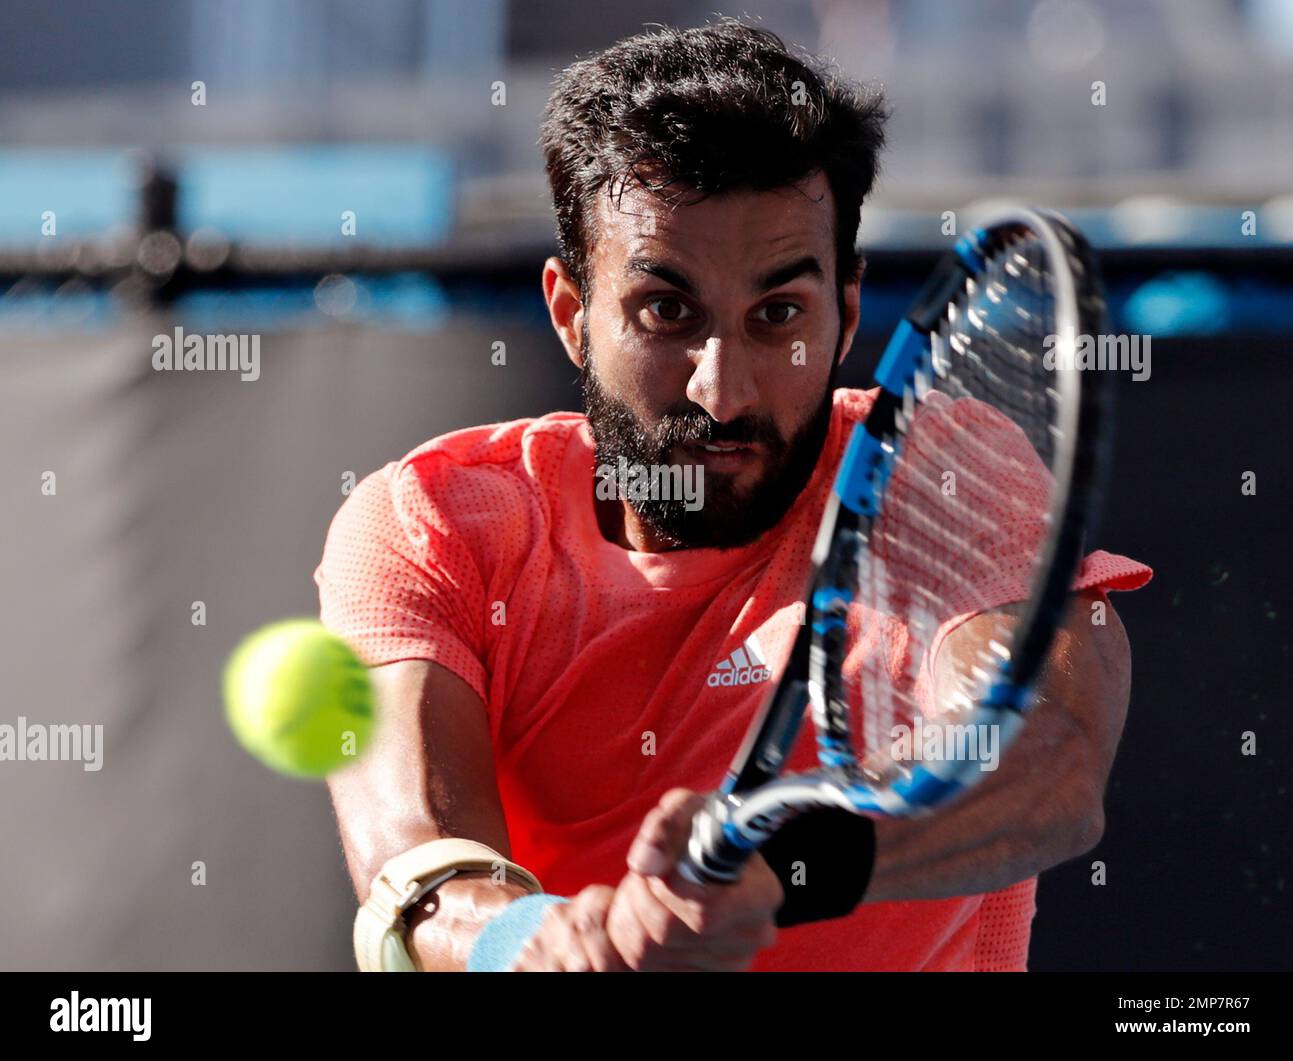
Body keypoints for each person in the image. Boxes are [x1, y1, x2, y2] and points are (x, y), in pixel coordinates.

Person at [317, 19, 1151, 972]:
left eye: (779, 314)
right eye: (666, 310)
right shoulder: (432, 521)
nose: (725, 388)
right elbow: (416, 870)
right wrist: (544, 943)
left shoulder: (942, 468)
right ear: (569, 314)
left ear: (844, 313)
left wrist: (783, 864)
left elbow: (1043, 761)